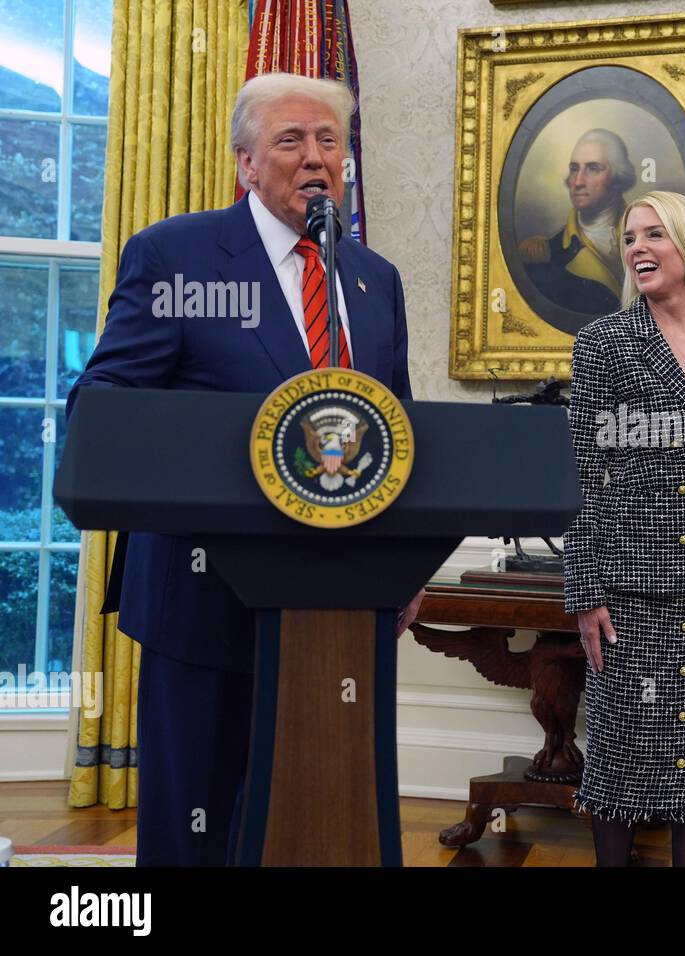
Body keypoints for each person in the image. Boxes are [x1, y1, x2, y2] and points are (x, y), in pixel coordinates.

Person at [65, 73, 423, 866]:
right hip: (203, 597)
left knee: (323, 820)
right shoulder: (179, 256)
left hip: (341, 604)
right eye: (290, 140)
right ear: (246, 166)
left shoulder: (374, 282)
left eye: (329, 140)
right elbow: (107, 403)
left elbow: (395, 434)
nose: (315, 157)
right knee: (198, 824)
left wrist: (407, 560)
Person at [562, 190, 685, 866]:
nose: (639, 247)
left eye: (655, 235)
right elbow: (580, 472)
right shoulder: (605, 344)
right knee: (621, 752)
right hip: (631, 585)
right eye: (632, 238)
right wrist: (585, 591)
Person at [520, 128, 633, 316]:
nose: (578, 181)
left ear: (617, 177)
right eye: (574, 169)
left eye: (593, 168)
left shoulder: (651, 242)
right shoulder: (545, 256)